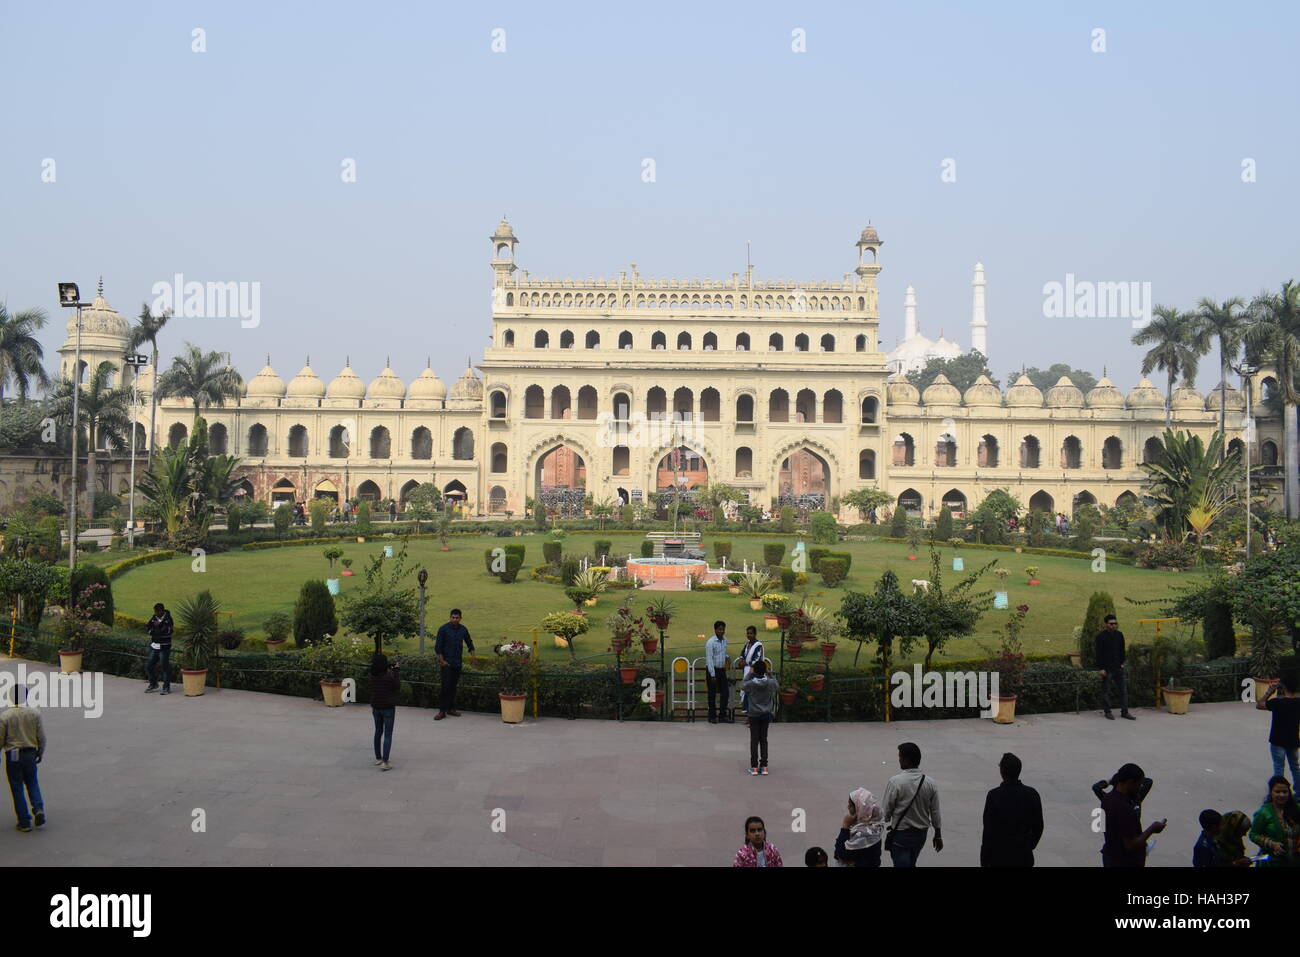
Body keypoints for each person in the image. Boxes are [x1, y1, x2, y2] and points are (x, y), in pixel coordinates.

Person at [881, 742, 942, 867]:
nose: (899, 760)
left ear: (907, 760)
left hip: (901, 836)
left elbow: (886, 811)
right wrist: (938, 834)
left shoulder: (895, 782)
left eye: (900, 757)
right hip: (920, 836)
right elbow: (935, 812)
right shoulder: (930, 783)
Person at [980, 752, 1044, 867]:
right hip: (1023, 856)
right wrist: (1029, 845)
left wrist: (984, 860)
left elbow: (988, 831)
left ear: (1002, 772)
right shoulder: (1032, 794)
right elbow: (1039, 826)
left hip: (999, 857)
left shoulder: (994, 796)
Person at [1100, 763, 1166, 867]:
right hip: (1125, 861)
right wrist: (1153, 828)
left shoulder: (1107, 799)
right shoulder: (1124, 807)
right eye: (1138, 785)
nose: (1139, 789)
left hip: (1110, 856)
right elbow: (1130, 845)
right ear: (1130, 782)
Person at [0, 684, 46, 832]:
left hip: (13, 754)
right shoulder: (35, 713)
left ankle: (24, 821)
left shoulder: (5, 716)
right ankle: (38, 808)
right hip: (30, 752)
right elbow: (41, 737)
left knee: (17, 786)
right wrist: (40, 752)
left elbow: (0, 738)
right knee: (32, 781)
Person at [1257, 674, 1300, 784]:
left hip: (1278, 739)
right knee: (1295, 767)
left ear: (1283, 687)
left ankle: (1278, 790)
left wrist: (1269, 692)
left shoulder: (1277, 702)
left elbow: (1259, 705)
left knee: (1279, 768)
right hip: (1293, 740)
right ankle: (1299, 792)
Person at [1248, 775, 1300, 867]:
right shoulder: (1264, 813)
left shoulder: (1296, 809)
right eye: (1277, 792)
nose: (1282, 795)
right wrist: (1271, 844)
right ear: (1271, 793)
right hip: (1271, 862)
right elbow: (1253, 834)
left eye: (1285, 792)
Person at [434, 609, 476, 720]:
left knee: (453, 687)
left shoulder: (463, 629)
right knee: (445, 687)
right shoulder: (443, 629)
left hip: (457, 663)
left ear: (460, 618)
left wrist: (473, 655)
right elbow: (438, 647)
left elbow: (469, 642)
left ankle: (451, 709)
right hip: (446, 664)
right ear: (450, 617)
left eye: (457, 618)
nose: (455, 619)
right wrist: (442, 661)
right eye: (453, 617)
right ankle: (442, 711)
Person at [1095, 614, 1135, 720]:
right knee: (1106, 691)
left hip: (1118, 667)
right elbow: (1098, 654)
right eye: (1111, 623)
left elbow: (1122, 650)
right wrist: (1101, 668)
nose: (1113, 625)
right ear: (1106, 624)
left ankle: (1125, 712)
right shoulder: (1100, 637)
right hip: (1107, 668)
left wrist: (1122, 662)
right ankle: (1107, 712)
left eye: (1115, 623)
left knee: (1123, 691)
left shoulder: (1119, 635)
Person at [740, 660, 776, 775]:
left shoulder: (751, 683)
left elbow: (742, 685)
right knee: (764, 739)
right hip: (766, 714)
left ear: (755, 671)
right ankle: (764, 766)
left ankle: (754, 767)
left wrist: (750, 673)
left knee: (754, 740)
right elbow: (776, 684)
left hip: (754, 714)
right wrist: (770, 673)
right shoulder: (769, 683)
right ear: (765, 670)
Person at [834, 788, 884, 867]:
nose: (848, 807)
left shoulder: (860, 833)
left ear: (860, 809)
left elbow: (840, 854)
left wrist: (845, 826)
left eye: (850, 805)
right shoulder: (876, 827)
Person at [370, 653, 400, 770]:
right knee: (388, 734)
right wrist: (396, 671)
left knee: (378, 731)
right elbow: (397, 686)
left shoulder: (372, 677)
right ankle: (385, 762)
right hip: (388, 707)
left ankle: (378, 757)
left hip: (375, 707)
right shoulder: (388, 677)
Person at [144, 602, 175, 695]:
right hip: (154, 646)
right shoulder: (153, 618)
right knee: (149, 666)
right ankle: (153, 684)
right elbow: (148, 627)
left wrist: (159, 626)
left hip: (164, 646)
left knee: (164, 667)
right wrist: (154, 631)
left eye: (158, 611)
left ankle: (166, 688)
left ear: (162, 611)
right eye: (155, 611)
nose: (156, 613)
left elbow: (169, 630)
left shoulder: (168, 619)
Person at [704, 621, 730, 724]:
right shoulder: (710, 642)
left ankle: (722, 715)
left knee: (725, 692)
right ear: (715, 630)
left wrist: (727, 657)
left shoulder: (725, 640)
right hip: (712, 670)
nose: (721, 631)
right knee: (712, 694)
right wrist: (712, 674)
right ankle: (712, 716)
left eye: (723, 629)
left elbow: (722, 653)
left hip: (722, 669)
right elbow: (709, 658)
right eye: (719, 629)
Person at [736, 625, 764, 713]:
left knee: (753, 695)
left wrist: (746, 663)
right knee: (747, 694)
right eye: (748, 633)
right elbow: (742, 654)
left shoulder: (758, 645)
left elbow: (756, 659)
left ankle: (753, 716)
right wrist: (741, 660)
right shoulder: (747, 644)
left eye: (751, 633)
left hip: (755, 672)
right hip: (747, 672)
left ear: (755, 634)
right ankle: (749, 716)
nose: (749, 635)